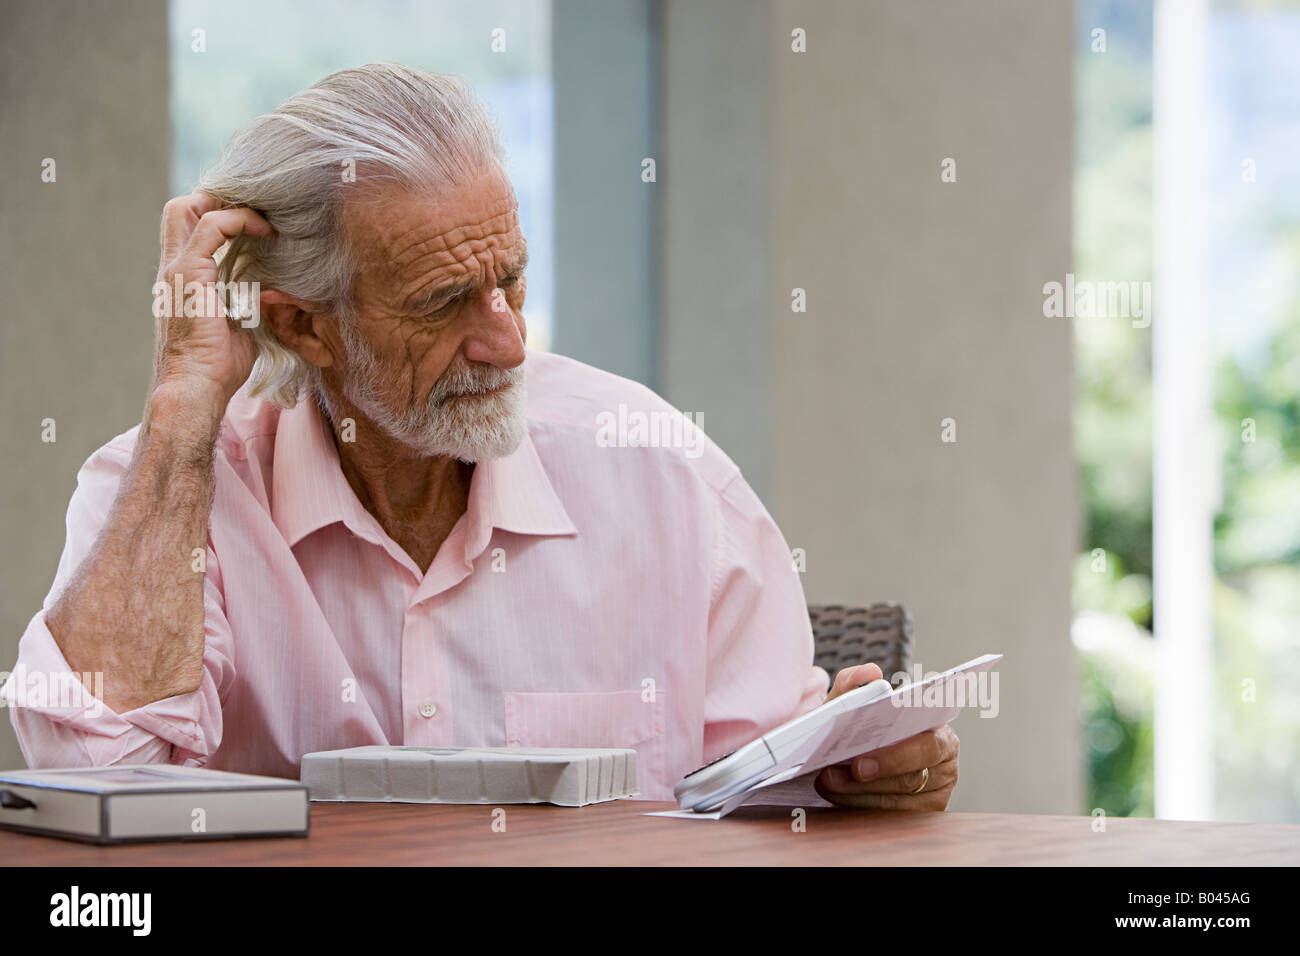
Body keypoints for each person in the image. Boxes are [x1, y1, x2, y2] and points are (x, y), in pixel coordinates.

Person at [2, 63, 958, 808]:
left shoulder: (661, 472)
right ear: (301, 326)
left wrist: (866, 784)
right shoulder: (169, 488)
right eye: (445, 302)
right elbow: (94, 774)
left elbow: (774, 806)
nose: (507, 339)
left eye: (511, 279)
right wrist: (180, 402)